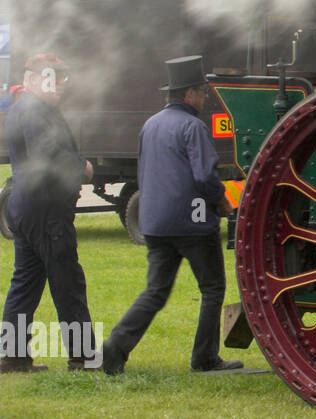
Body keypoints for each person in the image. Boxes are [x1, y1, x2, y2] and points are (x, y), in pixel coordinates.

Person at [102, 56, 242, 375]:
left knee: (155, 291)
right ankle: (204, 358)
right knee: (212, 289)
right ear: (188, 94)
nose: (205, 98)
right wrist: (222, 203)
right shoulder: (193, 126)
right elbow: (205, 176)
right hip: (192, 224)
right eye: (203, 93)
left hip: (155, 224)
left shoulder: (150, 125)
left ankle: (117, 345)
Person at [1, 54, 99, 371]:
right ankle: (83, 357)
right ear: (34, 78)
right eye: (54, 78)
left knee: (25, 282)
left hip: (28, 206)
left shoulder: (23, 107)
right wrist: (81, 167)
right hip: (45, 210)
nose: (58, 86)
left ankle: (12, 357)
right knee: (67, 280)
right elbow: (49, 154)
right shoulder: (34, 110)